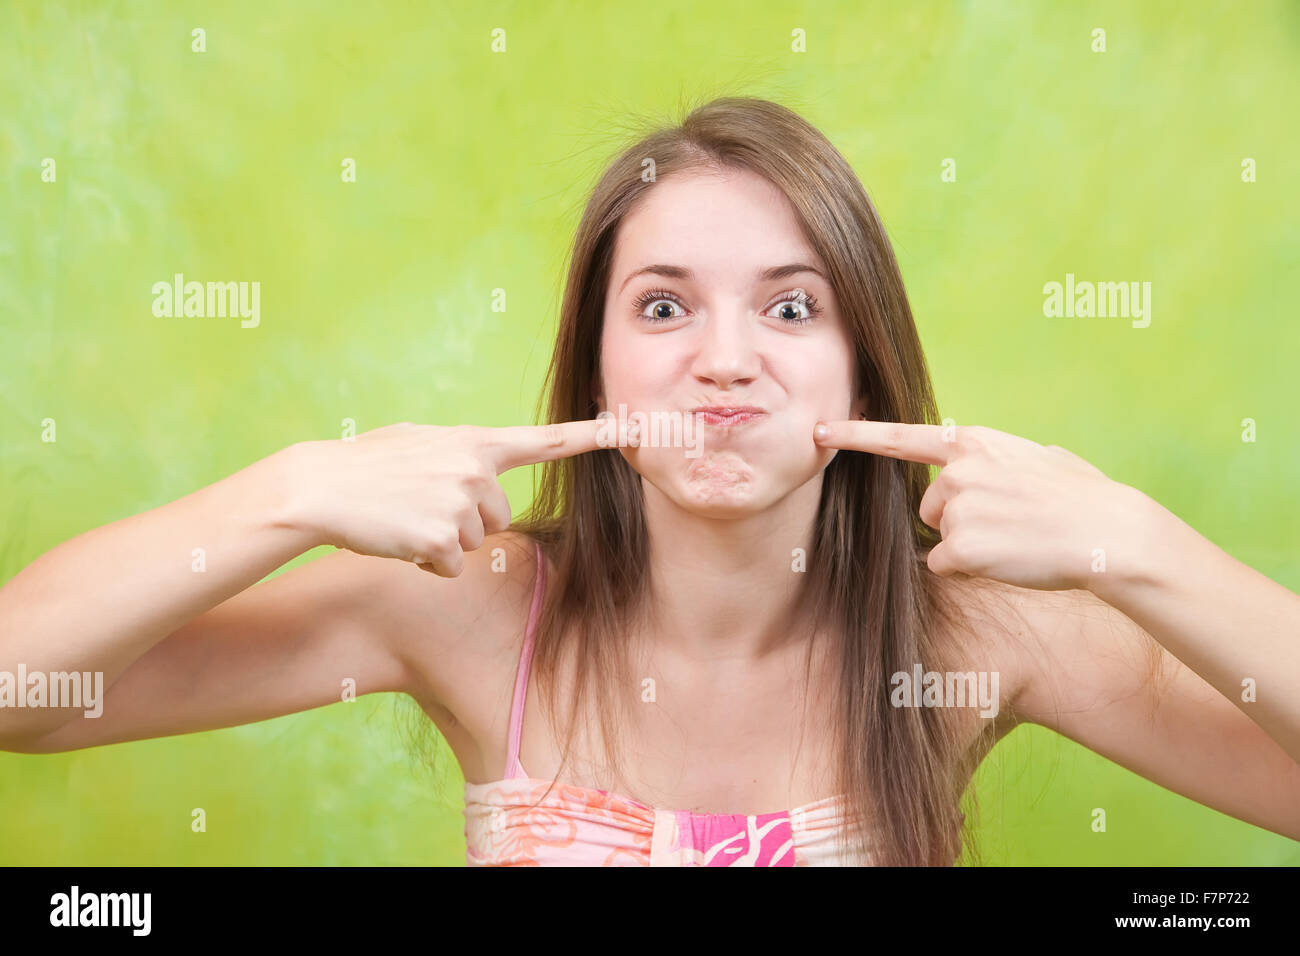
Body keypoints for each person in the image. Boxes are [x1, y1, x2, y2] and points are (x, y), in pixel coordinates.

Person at [2, 97, 1298, 866]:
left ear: (862, 365)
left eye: (792, 309)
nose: (725, 364)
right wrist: (289, 490)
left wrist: (1132, 541)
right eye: (665, 306)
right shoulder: (465, 606)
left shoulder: (974, 627)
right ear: (598, 358)